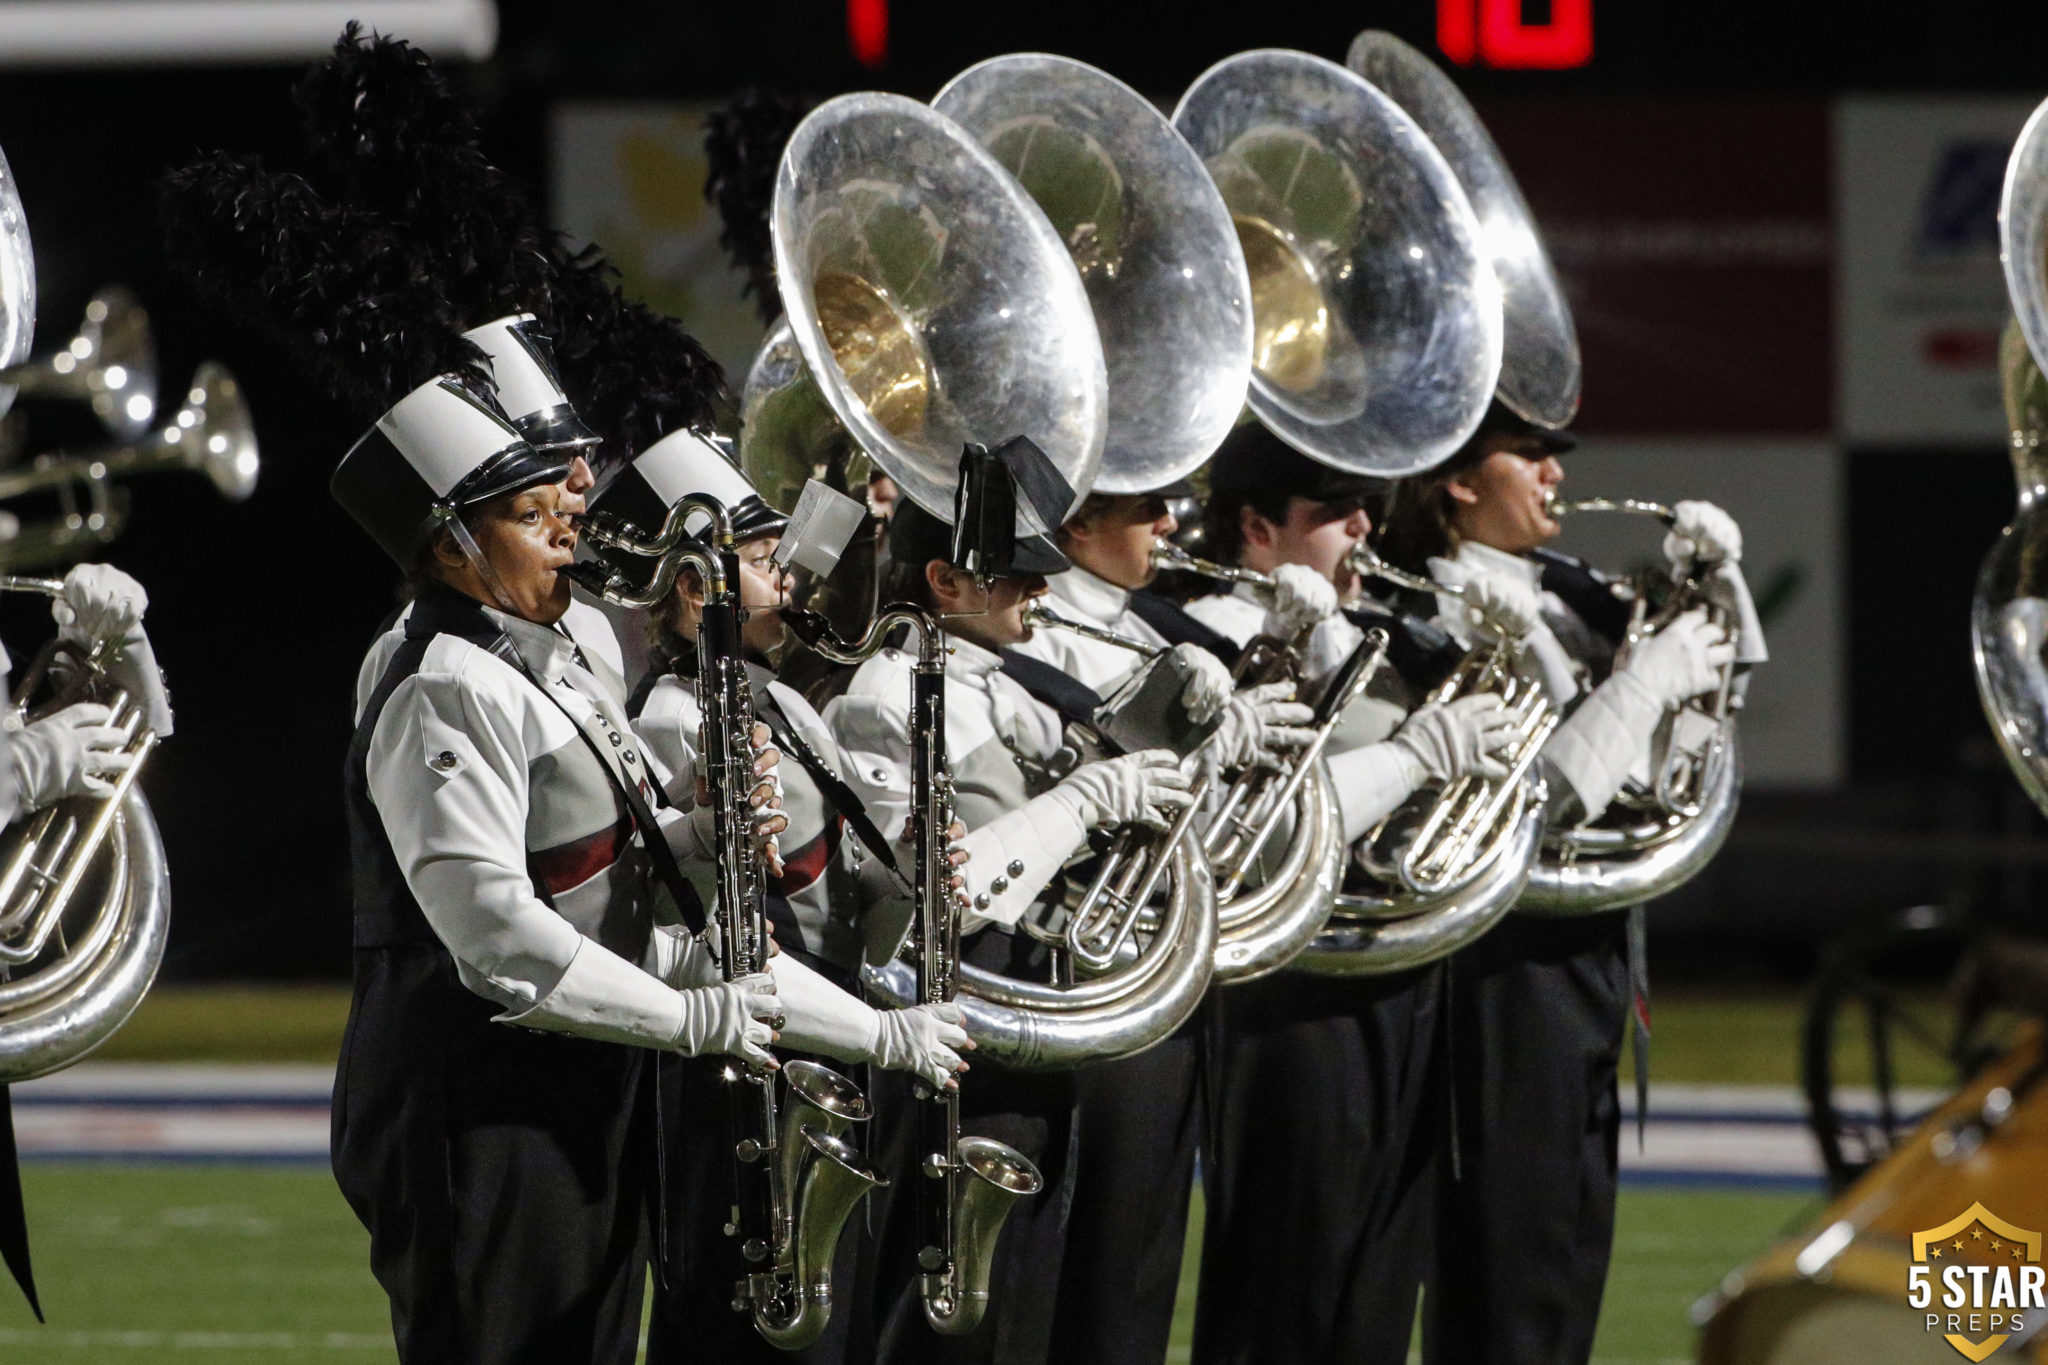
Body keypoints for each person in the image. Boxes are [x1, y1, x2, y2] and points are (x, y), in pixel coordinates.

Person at [330, 369, 815, 1365]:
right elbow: (494, 932)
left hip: (578, 1061)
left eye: (560, 498)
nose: (568, 524)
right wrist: (690, 1017)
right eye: (528, 513)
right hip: (478, 1086)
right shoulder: (443, 679)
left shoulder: (550, 647)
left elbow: (587, 862)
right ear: (450, 544)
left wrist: (700, 834)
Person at [1376, 398, 1761, 1365]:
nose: (1556, 473)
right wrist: (1647, 677)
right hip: (1504, 967)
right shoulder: (1436, 604)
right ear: (1459, 482)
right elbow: (1541, 797)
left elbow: (1704, 720)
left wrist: (1718, 588)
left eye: (1556, 454)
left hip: (1585, 950)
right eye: (1529, 455)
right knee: (1513, 1265)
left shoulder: (1565, 590)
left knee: (1570, 1255)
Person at [601, 430, 976, 1365]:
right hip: (737, 1062)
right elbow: (698, 919)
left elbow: (858, 920)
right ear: (698, 589)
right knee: (740, 1331)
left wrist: (910, 876)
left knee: (832, 1331)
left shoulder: (787, 702)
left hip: (826, 1035)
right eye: (767, 563)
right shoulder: (670, 715)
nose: (791, 581)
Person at [826, 498, 1201, 1365]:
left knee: (1026, 1313)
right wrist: (1081, 802)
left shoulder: (1003, 681)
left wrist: (1181, 722)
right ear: (944, 580)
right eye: (1017, 574)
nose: (1041, 588)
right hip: (953, 1038)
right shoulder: (886, 694)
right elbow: (925, 901)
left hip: (1029, 1023)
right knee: (945, 1323)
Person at [1182, 420, 1524, 1365]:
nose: (1365, 527)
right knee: (1291, 1285)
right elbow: (1259, 830)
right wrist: (1414, 753)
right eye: (1334, 512)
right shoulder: (1217, 638)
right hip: (1290, 999)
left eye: (1366, 507)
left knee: (1374, 1292)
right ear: (1258, 529)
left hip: (1399, 979)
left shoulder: (1372, 625)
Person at [1003, 481, 1314, 1365]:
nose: (1171, 524)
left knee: (1134, 1280)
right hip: (1066, 977)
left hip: (1156, 973)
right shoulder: (1042, 629)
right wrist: (1188, 742)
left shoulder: (1150, 626)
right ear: (1077, 525)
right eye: (1146, 509)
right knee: (1057, 1289)